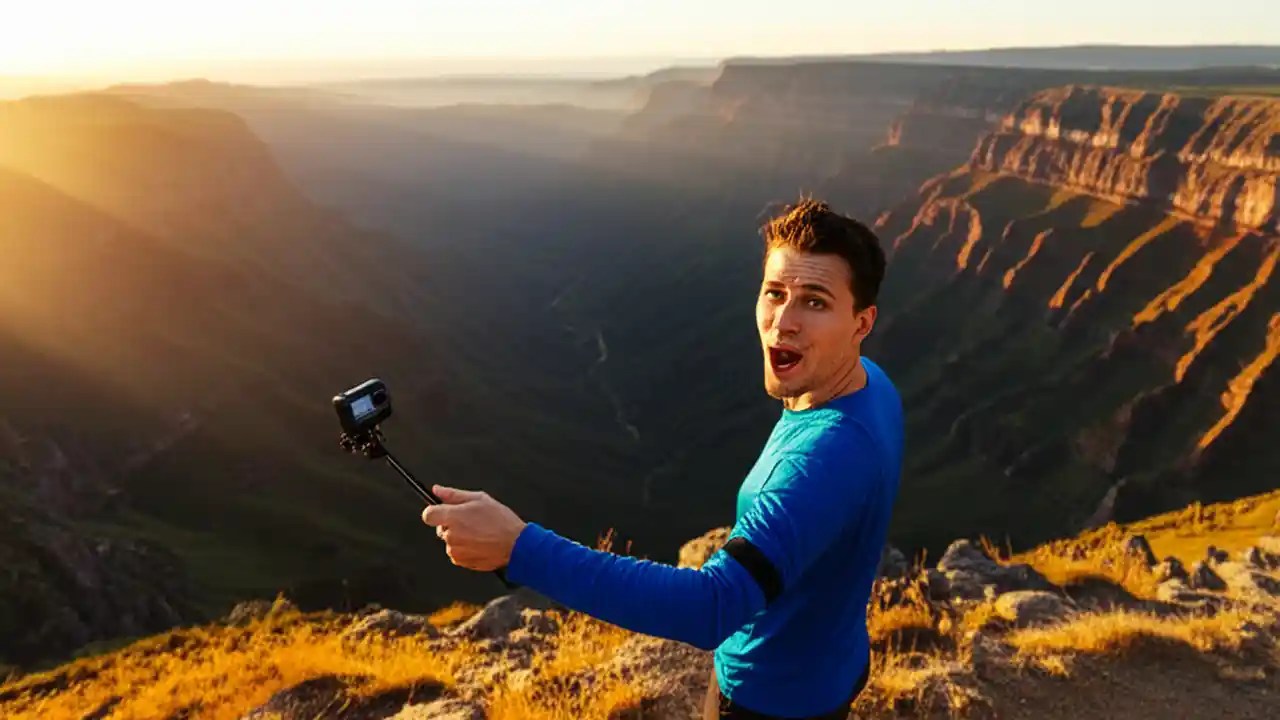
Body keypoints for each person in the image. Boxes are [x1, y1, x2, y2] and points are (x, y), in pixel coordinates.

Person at [421, 197, 903, 720]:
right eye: (774, 293)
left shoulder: (821, 461)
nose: (782, 322)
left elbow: (710, 607)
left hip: (770, 700)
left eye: (815, 302)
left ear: (862, 323)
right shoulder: (871, 385)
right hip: (831, 666)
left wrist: (518, 547)